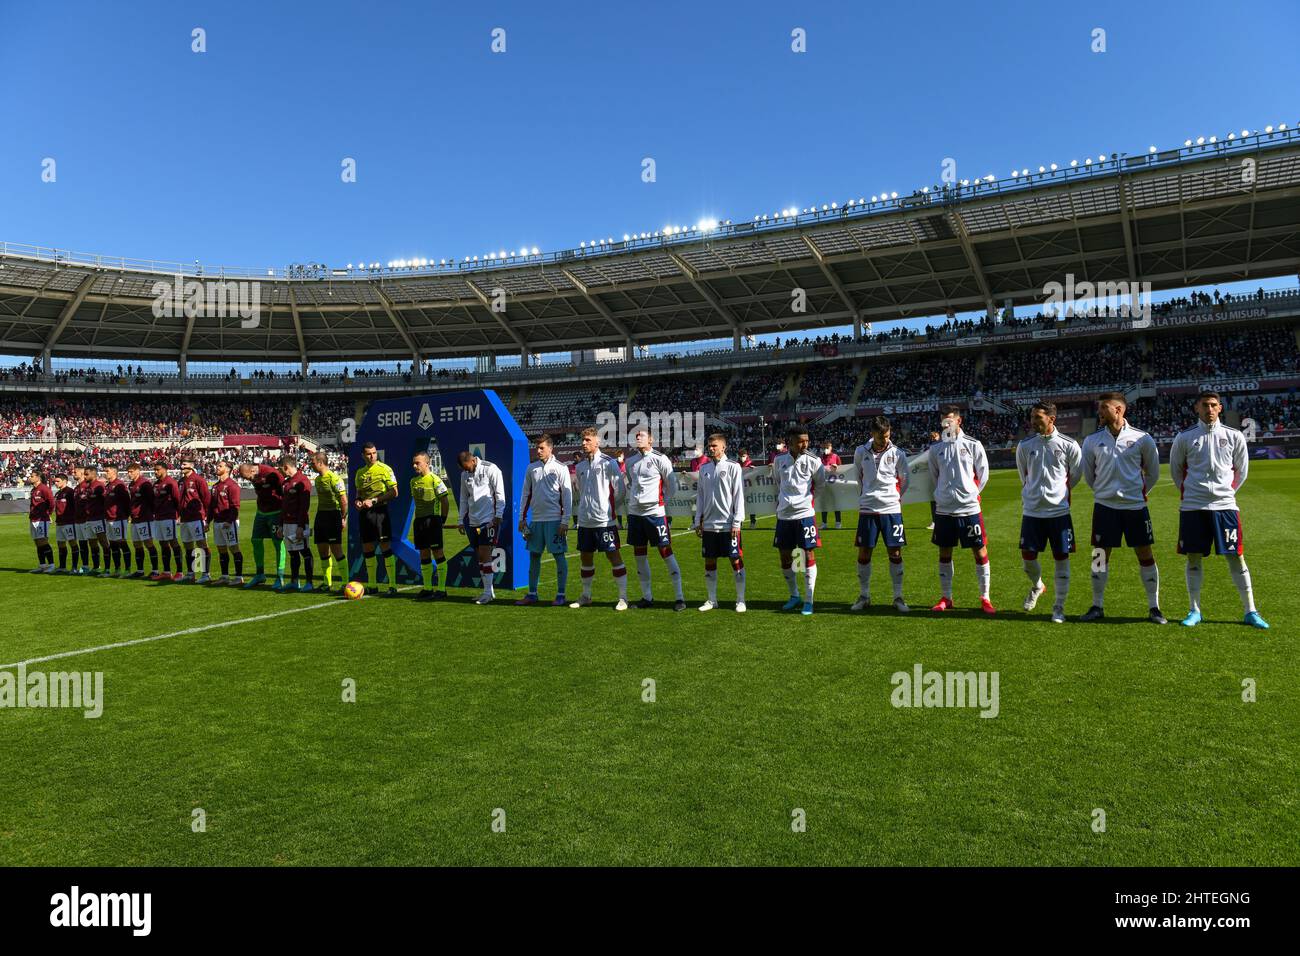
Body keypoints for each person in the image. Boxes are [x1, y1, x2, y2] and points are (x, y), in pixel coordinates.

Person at [1169, 390, 1268, 629]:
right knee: (1193, 558)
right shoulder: (1184, 437)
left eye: (1214, 405)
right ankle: (1194, 610)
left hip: (1225, 507)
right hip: (1193, 506)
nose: (1209, 409)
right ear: (1196, 408)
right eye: (1205, 405)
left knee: (1236, 557)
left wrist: (1226, 492)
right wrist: (1194, 492)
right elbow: (1176, 470)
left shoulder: (1234, 436)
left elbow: (1241, 471)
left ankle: (1250, 611)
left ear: (1220, 408)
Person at [1079, 392, 1166, 624]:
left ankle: (1154, 607)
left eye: (1104, 408)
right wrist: (1104, 493)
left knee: (1145, 554)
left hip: (1135, 508)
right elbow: (1090, 476)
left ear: (1119, 410)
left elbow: (1153, 473)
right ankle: (1097, 605)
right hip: (1105, 508)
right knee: (1099, 556)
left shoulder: (1142, 438)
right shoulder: (1091, 441)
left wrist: (1137, 494)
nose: (1099, 412)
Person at [1016, 401, 1082, 624]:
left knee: (1061, 558)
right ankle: (1037, 586)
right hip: (1032, 511)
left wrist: (1058, 494)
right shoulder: (1025, 445)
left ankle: (1059, 607)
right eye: (1033, 417)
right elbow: (1023, 475)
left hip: (1058, 512)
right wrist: (1034, 494)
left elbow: (1077, 474)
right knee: (1027, 559)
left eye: (1038, 417)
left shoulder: (1069, 444)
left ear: (1051, 419)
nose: (1033, 421)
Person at [928, 406, 995, 614]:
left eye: (950, 420)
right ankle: (946, 597)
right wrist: (945, 495)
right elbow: (935, 476)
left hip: (969, 508)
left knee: (979, 550)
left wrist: (970, 493)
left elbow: (983, 474)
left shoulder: (973, 445)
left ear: (959, 421)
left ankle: (985, 597)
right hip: (945, 510)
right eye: (943, 421)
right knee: (944, 551)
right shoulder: (935, 449)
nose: (946, 424)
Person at [851, 416, 910, 613]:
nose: (884, 439)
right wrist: (867, 496)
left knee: (895, 553)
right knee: (864, 552)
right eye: (880, 436)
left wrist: (893, 498)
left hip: (891, 509)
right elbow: (858, 477)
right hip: (868, 509)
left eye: (887, 435)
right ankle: (864, 595)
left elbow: (905, 479)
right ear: (872, 433)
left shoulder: (898, 453)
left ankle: (898, 597)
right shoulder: (860, 451)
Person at [624, 428, 686, 611]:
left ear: (651, 440)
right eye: (636, 436)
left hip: (655, 515)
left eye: (641, 435)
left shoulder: (661, 459)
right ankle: (647, 597)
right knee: (639, 557)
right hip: (635, 515)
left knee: (666, 553)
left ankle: (679, 598)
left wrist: (661, 504)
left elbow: (671, 486)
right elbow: (631, 482)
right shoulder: (630, 462)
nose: (638, 438)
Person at [571, 427, 630, 609]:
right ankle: (586, 596)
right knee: (585, 558)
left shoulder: (608, 463)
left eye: (588, 440)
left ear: (597, 442)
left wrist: (609, 508)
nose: (584, 443)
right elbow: (581, 490)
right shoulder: (580, 466)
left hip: (605, 521)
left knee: (614, 556)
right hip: (585, 522)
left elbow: (620, 490)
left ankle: (623, 597)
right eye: (583, 440)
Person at [771, 426, 826, 615]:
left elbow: (820, 485)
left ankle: (809, 601)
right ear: (791, 442)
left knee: (808, 555)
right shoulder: (779, 461)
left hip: (805, 515)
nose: (805, 444)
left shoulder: (814, 461)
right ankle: (795, 596)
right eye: (801, 441)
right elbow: (778, 483)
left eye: (807, 441)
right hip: (784, 516)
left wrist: (806, 501)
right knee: (786, 556)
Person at [515, 434, 572, 606]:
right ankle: (532, 594)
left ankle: (561, 594)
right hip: (536, 521)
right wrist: (522, 518)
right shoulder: (531, 468)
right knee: (534, 556)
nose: (538, 451)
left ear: (550, 448)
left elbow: (567, 496)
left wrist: (565, 521)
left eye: (542, 448)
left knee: (558, 555)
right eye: (537, 448)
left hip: (555, 520)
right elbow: (525, 493)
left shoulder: (561, 468)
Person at [694, 432, 746, 612]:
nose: (711, 448)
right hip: (708, 524)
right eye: (709, 445)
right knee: (709, 562)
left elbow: (739, 496)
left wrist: (737, 522)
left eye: (714, 445)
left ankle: (740, 600)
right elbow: (700, 496)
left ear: (724, 447)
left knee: (736, 560)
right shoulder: (704, 469)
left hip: (728, 524)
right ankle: (712, 600)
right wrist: (697, 519)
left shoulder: (733, 466)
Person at [457, 449, 505, 605]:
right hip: (473, 520)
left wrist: (498, 515)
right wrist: (460, 520)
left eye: (467, 467)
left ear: (472, 460)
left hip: (488, 519)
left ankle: (487, 592)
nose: (466, 471)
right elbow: (464, 498)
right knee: (479, 556)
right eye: (463, 469)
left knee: (485, 554)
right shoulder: (464, 475)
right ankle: (488, 592)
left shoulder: (490, 468)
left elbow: (499, 494)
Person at [354, 442, 400, 597]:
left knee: (385, 546)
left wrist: (374, 500)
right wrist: (358, 501)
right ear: (363, 455)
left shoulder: (385, 469)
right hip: (365, 514)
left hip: (380, 512)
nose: (372, 456)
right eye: (368, 453)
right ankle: (372, 585)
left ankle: (392, 585)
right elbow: (359, 494)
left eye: (374, 453)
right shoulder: (360, 473)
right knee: (367, 548)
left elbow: (394, 492)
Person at [238, 458, 286, 588]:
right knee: (256, 540)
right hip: (261, 513)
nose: (249, 480)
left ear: (253, 470)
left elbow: (284, 492)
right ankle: (260, 574)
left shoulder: (271, 473)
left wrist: (283, 514)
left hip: (275, 512)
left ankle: (280, 577)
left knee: (278, 542)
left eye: (248, 477)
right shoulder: (253, 477)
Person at [410, 451, 450, 600]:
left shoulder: (435, 480)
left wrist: (442, 520)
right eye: (414, 463)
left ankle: (441, 589)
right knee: (424, 554)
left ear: (427, 463)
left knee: (438, 553)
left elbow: (445, 502)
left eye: (418, 463)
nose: (415, 465)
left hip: (432, 521)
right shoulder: (413, 481)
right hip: (419, 521)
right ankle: (427, 588)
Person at [309, 451, 347, 593]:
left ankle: (345, 582)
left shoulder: (334, 479)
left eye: (313, 462)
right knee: (322, 550)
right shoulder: (318, 480)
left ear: (320, 463)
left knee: (337, 550)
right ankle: (327, 583)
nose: (311, 465)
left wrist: (343, 518)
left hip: (333, 516)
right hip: (321, 516)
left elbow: (344, 501)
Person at [278, 456, 314, 592]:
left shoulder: (302, 481)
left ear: (286, 467)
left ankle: (309, 582)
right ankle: (294, 581)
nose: (280, 472)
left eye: (281, 469)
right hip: (287, 523)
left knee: (305, 552)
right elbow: (284, 506)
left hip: (298, 524)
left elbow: (304, 507)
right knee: (292, 553)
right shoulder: (286, 483)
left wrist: (300, 525)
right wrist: (281, 525)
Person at [177, 458, 212, 584]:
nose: (182, 466)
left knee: (201, 544)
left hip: (197, 518)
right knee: (187, 545)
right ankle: (191, 573)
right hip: (185, 519)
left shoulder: (199, 480)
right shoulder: (181, 481)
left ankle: (206, 574)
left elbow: (207, 500)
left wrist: (207, 518)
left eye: (184, 464)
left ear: (191, 466)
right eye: (182, 464)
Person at [210, 460, 244, 585]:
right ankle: (224, 576)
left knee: (234, 548)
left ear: (228, 469)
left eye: (220, 466)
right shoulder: (215, 486)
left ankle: (239, 577)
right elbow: (211, 506)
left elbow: (235, 506)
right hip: (217, 522)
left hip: (228, 522)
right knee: (221, 549)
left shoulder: (232, 485)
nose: (217, 467)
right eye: (217, 465)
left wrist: (230, 521)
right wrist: (208, 522)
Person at [150, 461, 183, 582]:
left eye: (158, 469)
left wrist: (179, 515)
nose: (155, 472)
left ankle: (179, 572)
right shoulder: (156, 484)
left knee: (173, 542)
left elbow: (177, 500)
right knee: (163, 544)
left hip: (169, 518)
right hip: (158, 518)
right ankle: (167, 572)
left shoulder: (171, 483)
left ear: (165, 469)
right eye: (155, 470)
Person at [74, 465, 110, 577]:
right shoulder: (88, 486)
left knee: (104, 543)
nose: (84, 476)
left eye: (86, 474)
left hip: (99, 519)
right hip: (89, 519)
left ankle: (107, 569)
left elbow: (106, 501)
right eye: (84, 474)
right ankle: (96, 567)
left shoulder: (99, 486)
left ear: (94, 474)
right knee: (92, 544)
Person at [125, 462, 158, 578]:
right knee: (137, 544)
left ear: (138, 471)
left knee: (148, 543)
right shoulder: (131, 485)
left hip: (145, 518)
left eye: (131, 472)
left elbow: (151, 500)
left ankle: (155, 570)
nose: (129, 474)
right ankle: (140, 570)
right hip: (135, 519)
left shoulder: (145, 484)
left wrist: (150, 514)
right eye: (128, 472)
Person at [102, 464, 132, 577]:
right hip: (109, 519)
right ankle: (117, 568)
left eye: (107, 471)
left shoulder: (119, 485)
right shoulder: (108, 485)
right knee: (113, 545)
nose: (105, 473)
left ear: (114, 472)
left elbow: (127, 501)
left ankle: (128, 569)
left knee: (122, 543)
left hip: (118, 519)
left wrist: (127, 515)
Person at [26, 469, 55, 573]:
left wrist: (49, 514)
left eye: (32, 476)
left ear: (38, 477)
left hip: (42, 519)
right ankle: (42, 565)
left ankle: (51, 565)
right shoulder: (33, 489)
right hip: (33, 518)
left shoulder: (44, 489)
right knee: (37, 542)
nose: (30, 477)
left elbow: (51, 502)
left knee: (43, 541)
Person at [53, 473, 79, 574]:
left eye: (58, 481)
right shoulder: (58, 493)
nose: (55, 483)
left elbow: (75, 507)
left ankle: (74, 567)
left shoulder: (70, 492)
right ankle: (62, 566)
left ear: (65, 481)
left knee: (72, 543)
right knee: (60, 544)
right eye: (55, 481)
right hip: (59, 522)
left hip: (69, 522)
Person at [819, 441, 843, 530]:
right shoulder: (820, 458)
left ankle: (838, 522)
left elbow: (842, 470)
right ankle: (824, 523)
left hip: (834, 484)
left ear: (831, 448)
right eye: (824, 448)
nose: (826, 449)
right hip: (823, 485)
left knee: (836, 503)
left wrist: (836, 467)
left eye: (827, 447)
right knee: (823, 504)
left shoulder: (835, 456)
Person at [738, 448, 758, 528]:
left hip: (750, 488)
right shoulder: (737, 464)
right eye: (740, 456)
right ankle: (739, 522)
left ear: (747, 456)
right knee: (739, 506)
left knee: (751, 505)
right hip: (740, 488)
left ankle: (753, 521)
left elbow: (757, 473)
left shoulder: (750, 463)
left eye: (743, 456)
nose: (741, 458)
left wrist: (753, 469)